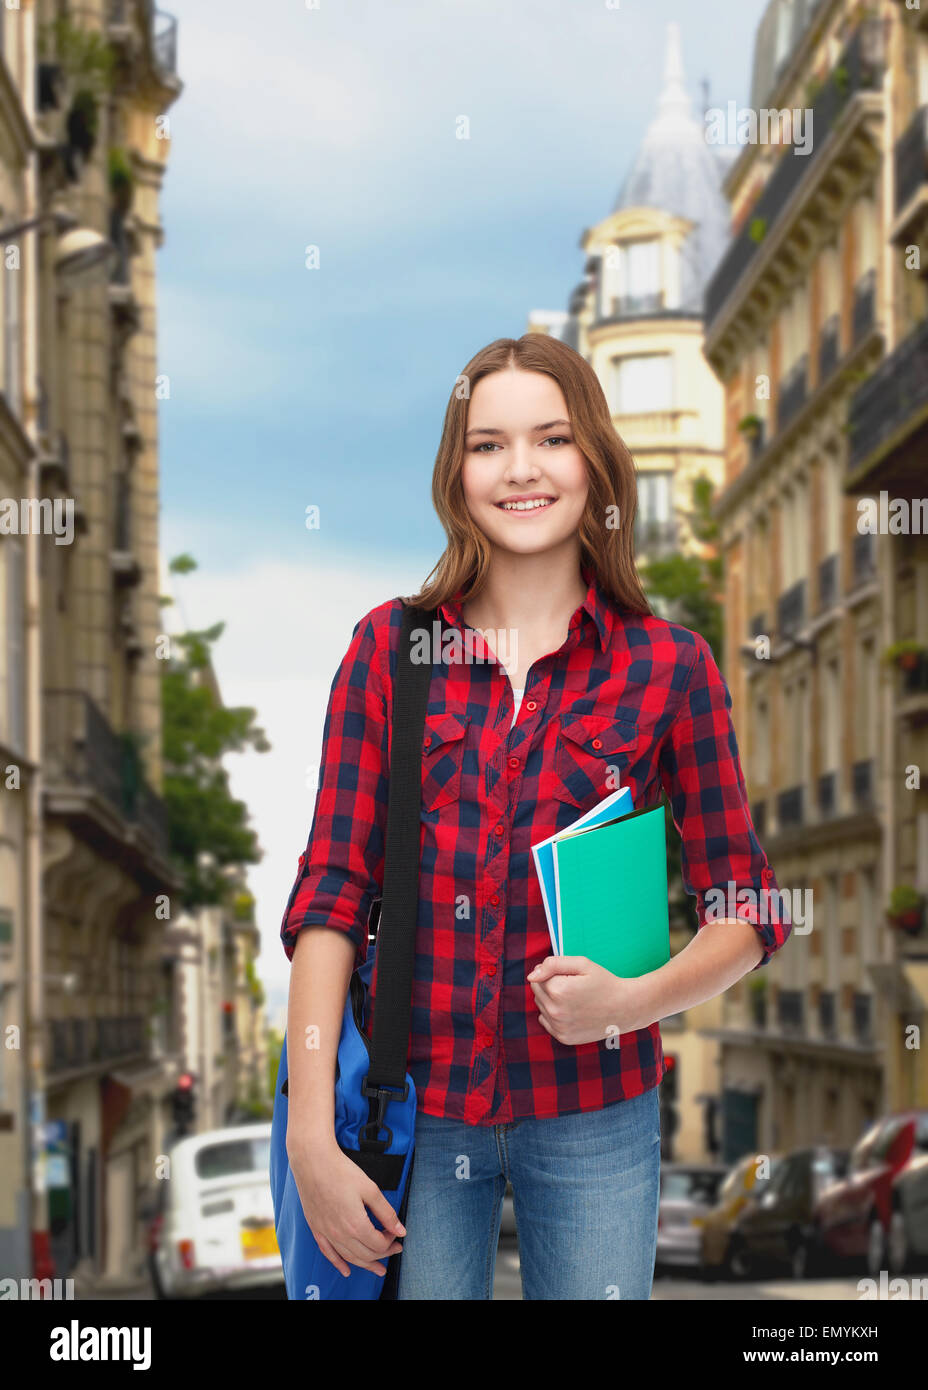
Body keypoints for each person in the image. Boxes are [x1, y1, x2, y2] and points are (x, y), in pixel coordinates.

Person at [280, 333, 792, 1300]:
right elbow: (331, 899)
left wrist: (632, 1003)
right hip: (413, 1116)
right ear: (455, 472)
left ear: (594, 459)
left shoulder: (670, 668)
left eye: (551, 439)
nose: (521, 470)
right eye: (487, 445)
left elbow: (750, 906)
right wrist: (313, 1133)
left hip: (597, 1113)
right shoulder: (390, 649)